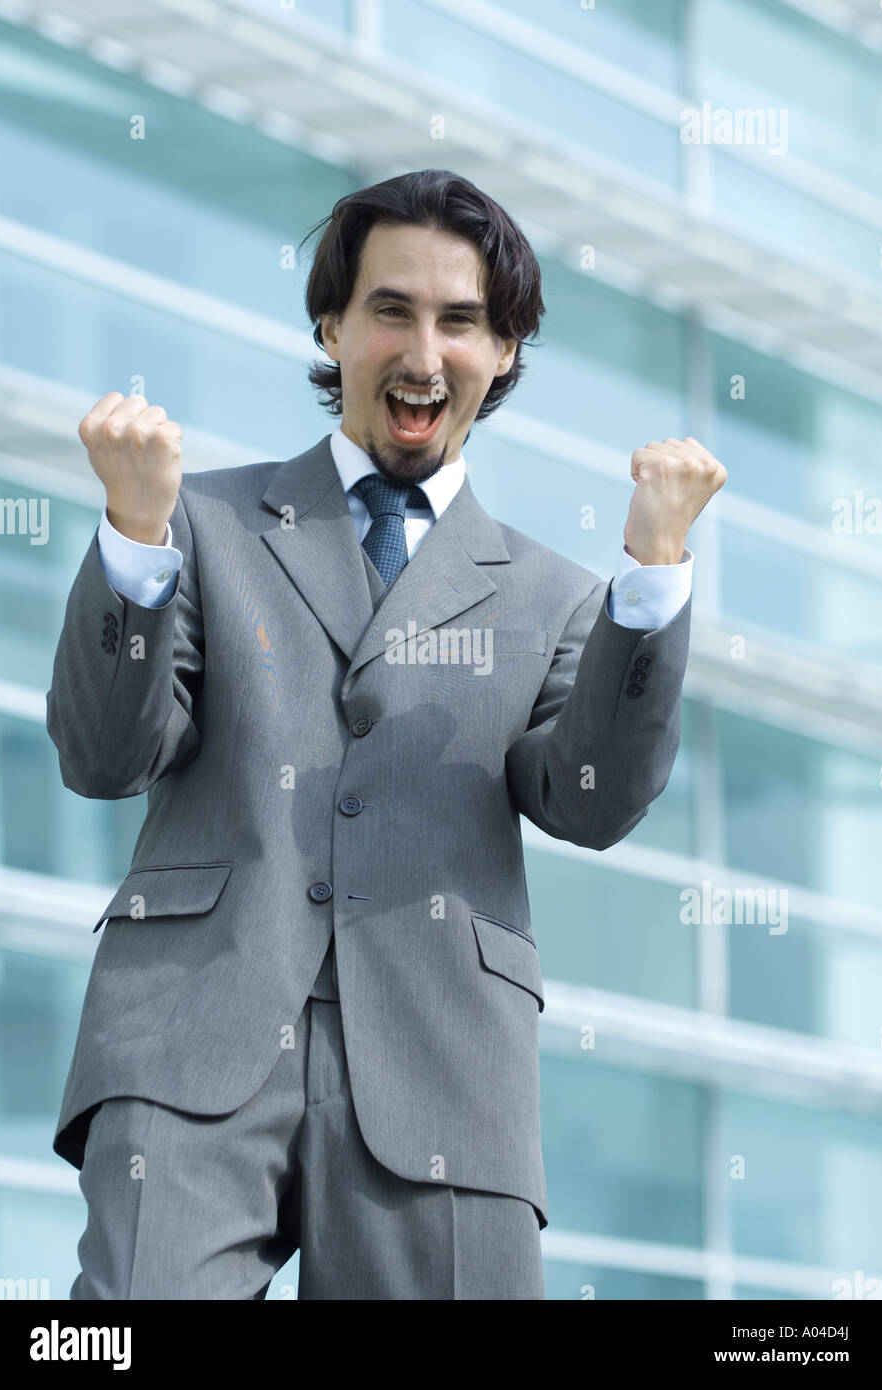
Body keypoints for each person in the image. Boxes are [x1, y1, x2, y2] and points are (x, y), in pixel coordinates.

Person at [47, 168, 726, 1300]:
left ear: (503, 351)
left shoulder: (557, 596)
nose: (423, 352)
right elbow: (102, 757)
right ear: (331, 325)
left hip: (446, 1066)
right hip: (190, 1040)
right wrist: (132, 537)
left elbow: (591, 801)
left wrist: (652, 580)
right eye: (390, 310)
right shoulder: (198, 524)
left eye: (460, 320)